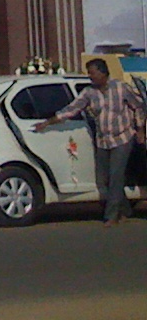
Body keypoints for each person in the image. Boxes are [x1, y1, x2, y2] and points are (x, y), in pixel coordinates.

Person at [37, 58, 146, 226]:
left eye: (93, 73)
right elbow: (71, 109)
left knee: (116, 175)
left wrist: (139, 130)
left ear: (103, 73)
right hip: (103, 140)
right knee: (104, 178)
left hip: (123, 137)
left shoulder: (121, 88)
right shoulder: (89, 93)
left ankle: (111, 215)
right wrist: (47, 122)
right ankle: (125, 209)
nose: (90, 76)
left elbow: (137, 106)